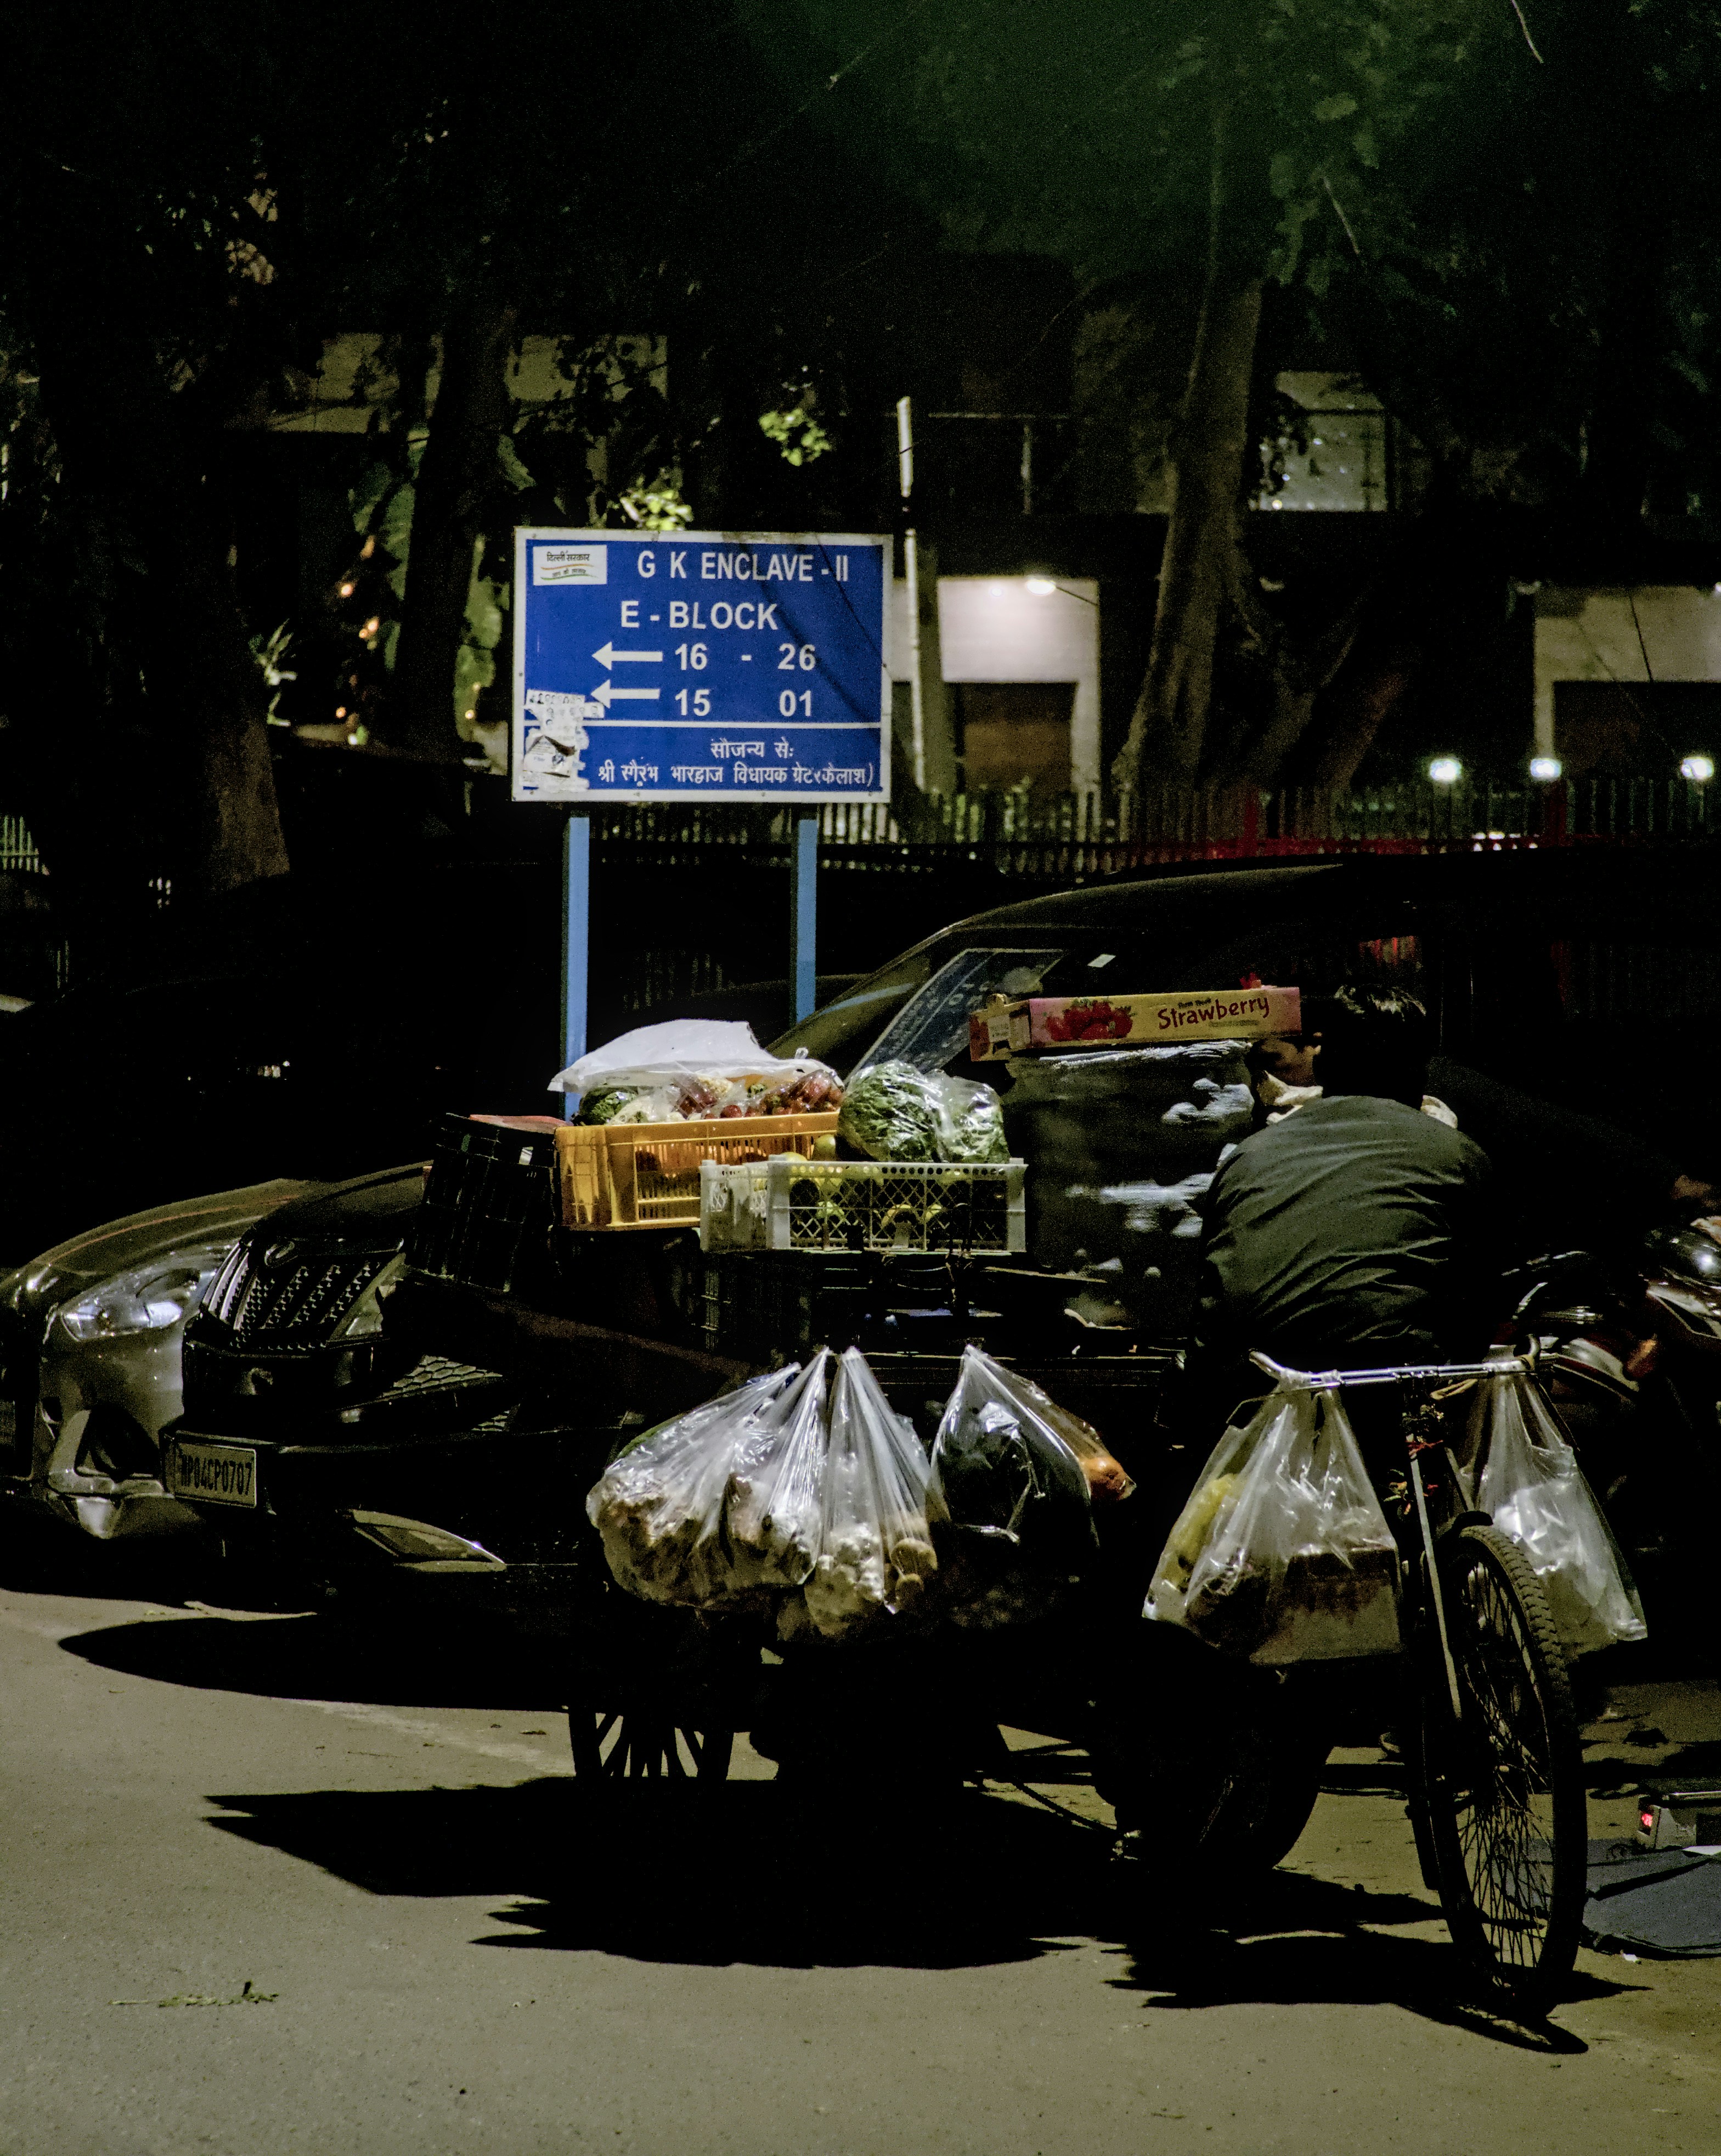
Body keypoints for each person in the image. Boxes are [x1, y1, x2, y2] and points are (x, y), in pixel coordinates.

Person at [1194, 983, 1494, 1404]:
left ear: (1322, 1063)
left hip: (1252, 1392)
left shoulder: (1249, 1154)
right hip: (1387, 1391)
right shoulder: (1455, 1154)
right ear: (1419, 1070)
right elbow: (1478, 1300)